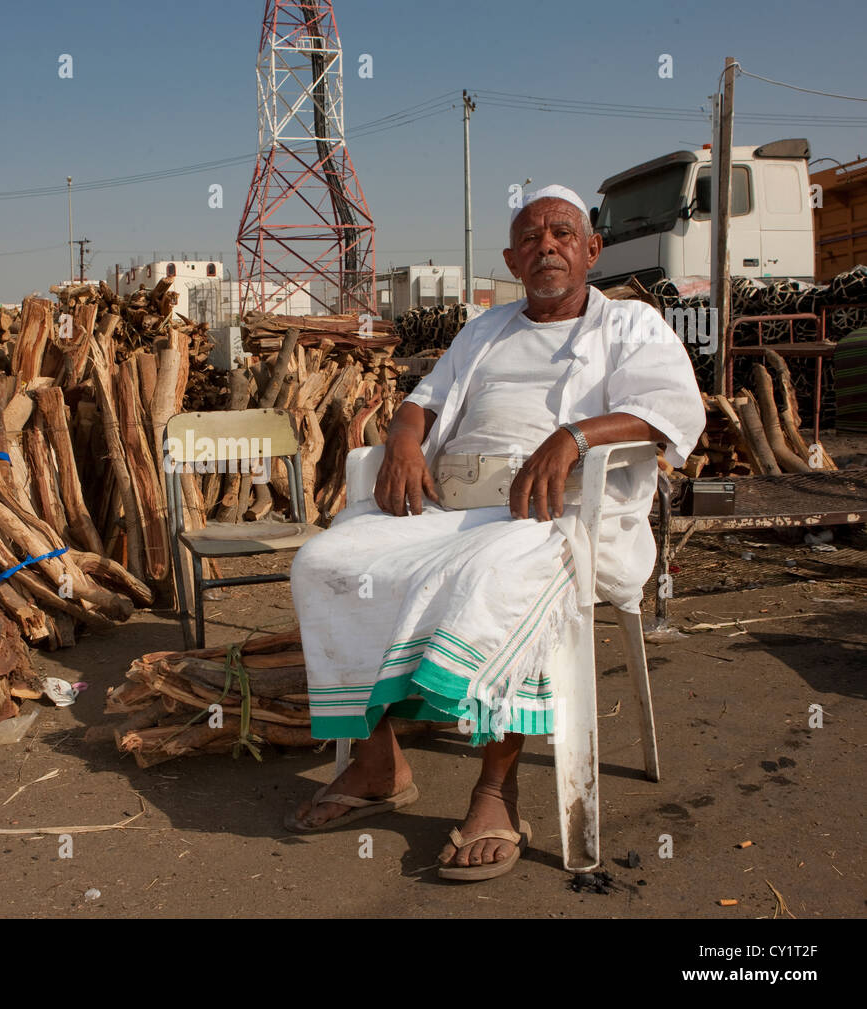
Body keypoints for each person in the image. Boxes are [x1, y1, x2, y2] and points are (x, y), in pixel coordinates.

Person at [285, 185, 706, 880]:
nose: (548, 245)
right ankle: (376, 760)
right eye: (533, 236)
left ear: (591, 248)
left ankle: (496, 790)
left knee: (495, 575)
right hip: (454, 504)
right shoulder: (485, 329)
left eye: (564, 232)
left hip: (560, 511)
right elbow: (422, 403)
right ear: (513, 259)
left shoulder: (628, 325)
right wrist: (402, 442)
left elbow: (667, 413)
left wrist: (572, 435)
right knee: (325, 562)